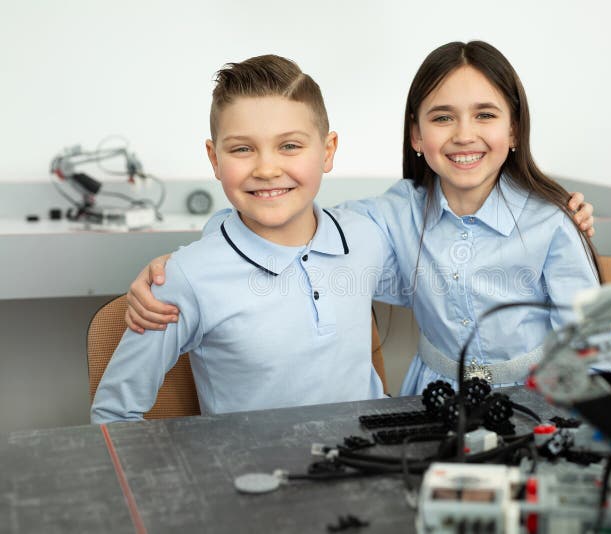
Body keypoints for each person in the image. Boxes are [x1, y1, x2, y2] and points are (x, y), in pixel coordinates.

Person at [124, 41, 604, 396]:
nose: (463, 135)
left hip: (536, 402)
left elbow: (594, 345)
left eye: (485, 115)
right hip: (429, 403)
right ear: (416, 134)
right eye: (441, 118)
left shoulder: (551, 223)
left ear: (514, 127)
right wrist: (191, 261)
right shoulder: (391, 215)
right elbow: (285, 219)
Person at [91, 55, 391, 423]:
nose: (266, 169)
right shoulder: (186, 277)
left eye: (290, 146)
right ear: (214, 158)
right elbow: (113, 413)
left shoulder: (367, 238)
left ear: (327, 151)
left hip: (369, 466)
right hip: (252, 476)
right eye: (242, 149)